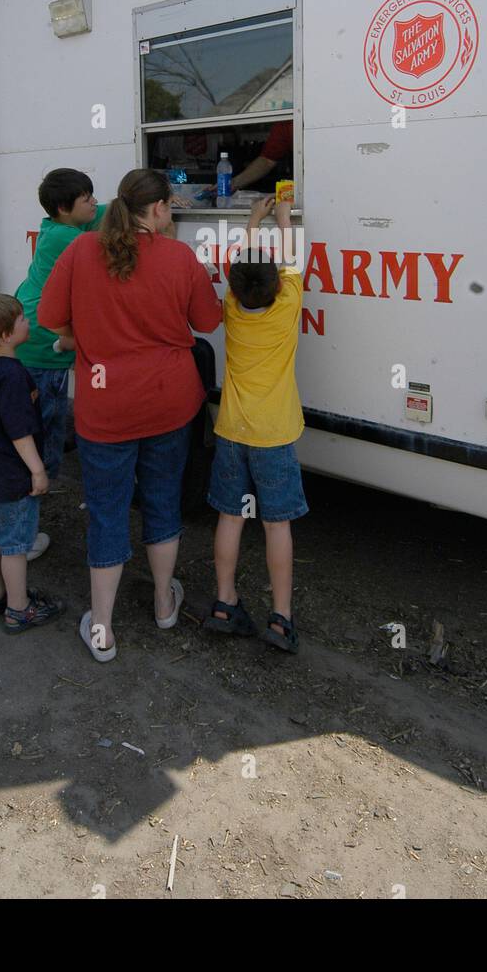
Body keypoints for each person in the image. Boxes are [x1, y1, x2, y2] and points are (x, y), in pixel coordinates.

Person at [38, 168, 222, 663]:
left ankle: (102, 628)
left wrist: (92, 336)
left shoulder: (79, 251)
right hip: (168, 402)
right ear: (160, 209)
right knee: (163, 500)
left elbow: (50, 319)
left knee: (107, 510)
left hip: (106, 408)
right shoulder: (180, 257)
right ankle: (164, 604)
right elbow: (207, 321)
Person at [0, 168, 107, 563]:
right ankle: (17, 539)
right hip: (44, 348)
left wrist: (127, 202)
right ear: (66, 208)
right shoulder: (69, 238)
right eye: (87, 199)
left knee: (26, 441)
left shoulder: (55, 225)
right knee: (35, 447)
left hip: (34, 341)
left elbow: (101, 213)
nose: (95, 204)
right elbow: (107, 240)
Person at [204, 196, 307, 652]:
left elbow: (240, 272)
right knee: (276, 524)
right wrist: (284, 218)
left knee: (230, 516)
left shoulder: (230, 308)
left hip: (230, 433)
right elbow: (289, 262)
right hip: (275, 435)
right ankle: (280, 618)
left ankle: (225, 603)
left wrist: (253, 220)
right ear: (278, 288)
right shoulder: (286, 308)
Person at [0, 293, 65, 635]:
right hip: (13, 476)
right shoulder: (15, 375)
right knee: (15, 546)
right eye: (21, 318)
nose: (27, 321)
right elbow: (19, 431)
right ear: (6, 334)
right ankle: (19, 608)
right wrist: (37, 469)